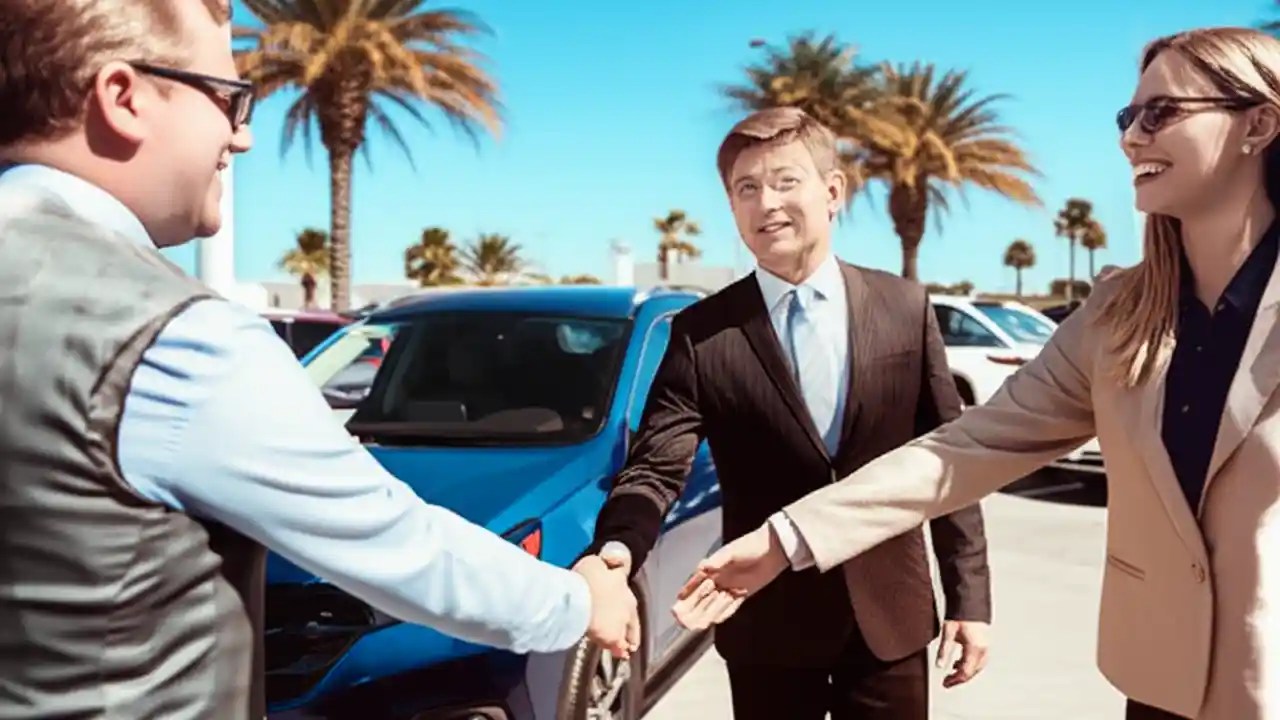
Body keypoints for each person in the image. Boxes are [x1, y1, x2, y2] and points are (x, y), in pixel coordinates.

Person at [0, 1, 635, 718]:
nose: (241, 137)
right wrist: (580, 602)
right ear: (124, 97)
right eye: (229, 99)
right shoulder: (180, 337)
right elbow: (401, 549)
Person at [677, 26, 1280, 720]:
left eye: (1161, 112)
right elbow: (968, 445)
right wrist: (788, 538)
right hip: (1160, 685)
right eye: (1127, 116)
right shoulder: (1117, 312)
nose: (1131, 137)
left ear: (1257, 124)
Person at [585, 106, 993, 720]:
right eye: (746, 189)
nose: (766, 202)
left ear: (832, 192)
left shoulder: (903, 306)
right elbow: (656, 467)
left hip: (888, 618)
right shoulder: (702, 334)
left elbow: (946, 459)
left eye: (785, 181)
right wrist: (617, 551)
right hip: (765, 624)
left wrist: (971, 598)